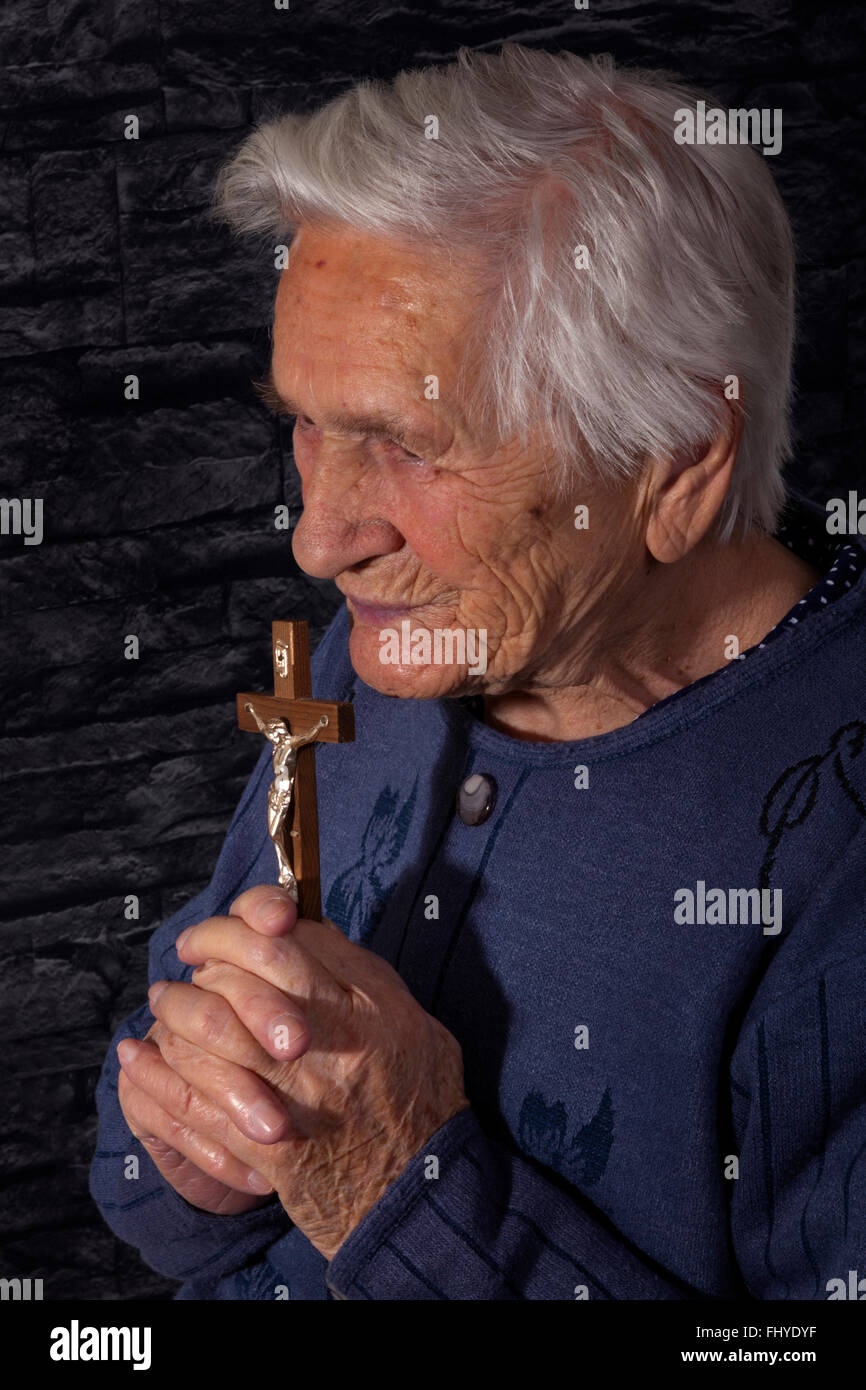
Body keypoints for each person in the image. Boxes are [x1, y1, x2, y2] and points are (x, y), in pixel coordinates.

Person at [90, 44, 866, 1299]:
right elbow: (155, 1187)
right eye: (305, 422)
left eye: (402, 443)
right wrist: (193, 1147)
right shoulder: (386, 642)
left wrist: (399, 1193)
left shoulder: (834, 857)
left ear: (677, 455)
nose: (317, 535)